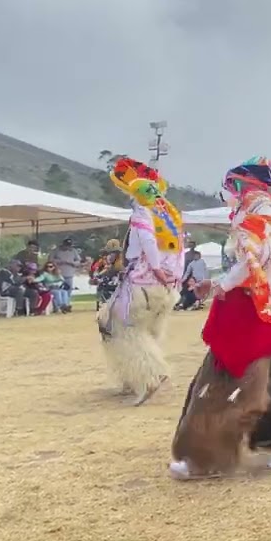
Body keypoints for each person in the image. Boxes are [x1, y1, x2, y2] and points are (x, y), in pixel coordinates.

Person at [170, 157, 271, 480]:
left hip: (254, 306)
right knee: (253, 374)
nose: (226, 194)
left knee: (232, 379)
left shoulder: (263, 212)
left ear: (243, 185)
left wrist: (221, 284)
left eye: (229, 187)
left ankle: (206, 455)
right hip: (260, 304)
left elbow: (253, 262)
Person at [97, 157, 184, 406]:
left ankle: (149, 376)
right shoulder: (170, 216)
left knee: (118, 325)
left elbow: (146, 241)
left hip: (143, 283)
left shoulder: (142, 213)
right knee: (146, 331)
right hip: (167, 287)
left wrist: (155, 269)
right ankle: (132, 377)